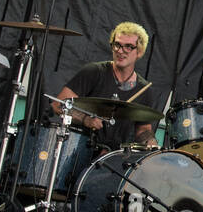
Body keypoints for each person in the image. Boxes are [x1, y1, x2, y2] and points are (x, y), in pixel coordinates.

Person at [56, 21, 160, 150]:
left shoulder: (144, 90)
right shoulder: (94, 72)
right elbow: (59, 104)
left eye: (128, 46)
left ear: (139, 51)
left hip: (113, 157)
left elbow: (143, 129)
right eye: (117, 45)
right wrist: (85, 119)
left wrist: (151, 142)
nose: (120, 51)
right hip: (79, 150)